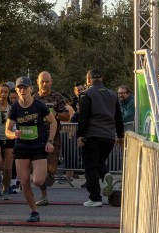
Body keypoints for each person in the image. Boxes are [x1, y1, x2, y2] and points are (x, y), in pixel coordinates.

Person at [6, 77, 58, 223]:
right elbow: (8, 130)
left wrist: (50, 141)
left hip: (38, 146)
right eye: (19, 88)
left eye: (25, 87)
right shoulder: (14, 108)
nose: (22, 90)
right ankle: (34, 211)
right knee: (24, 182)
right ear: (16, 90)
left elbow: (53, 122)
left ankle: (44, 174)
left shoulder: (39, 105)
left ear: (31, 89)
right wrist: (13, 134)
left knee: (38, 180)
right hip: (22, 147)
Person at [76, 69, 124, 207]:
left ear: (88, 79)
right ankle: (105, 175)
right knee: (99, 162)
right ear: (102, 78)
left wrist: (80, 135)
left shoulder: (86, 94)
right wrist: (120, 136)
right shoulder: (112, 94)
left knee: (90, 166)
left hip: (92, 135)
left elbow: (83, 117)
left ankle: (95, 198)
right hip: (109, 137)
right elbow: (118, 117)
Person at [33, 71, 72, 206]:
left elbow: (67, 116)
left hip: (53, 136)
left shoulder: (57, 97)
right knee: (41, 168)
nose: (45, 84)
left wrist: (55, 114)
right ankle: (44, 196)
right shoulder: (33, 98)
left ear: (51, 82)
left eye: (47, 81)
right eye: (42, 81)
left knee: (51, 168)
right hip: (36, 136)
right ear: (38, 82)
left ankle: (50, 174)